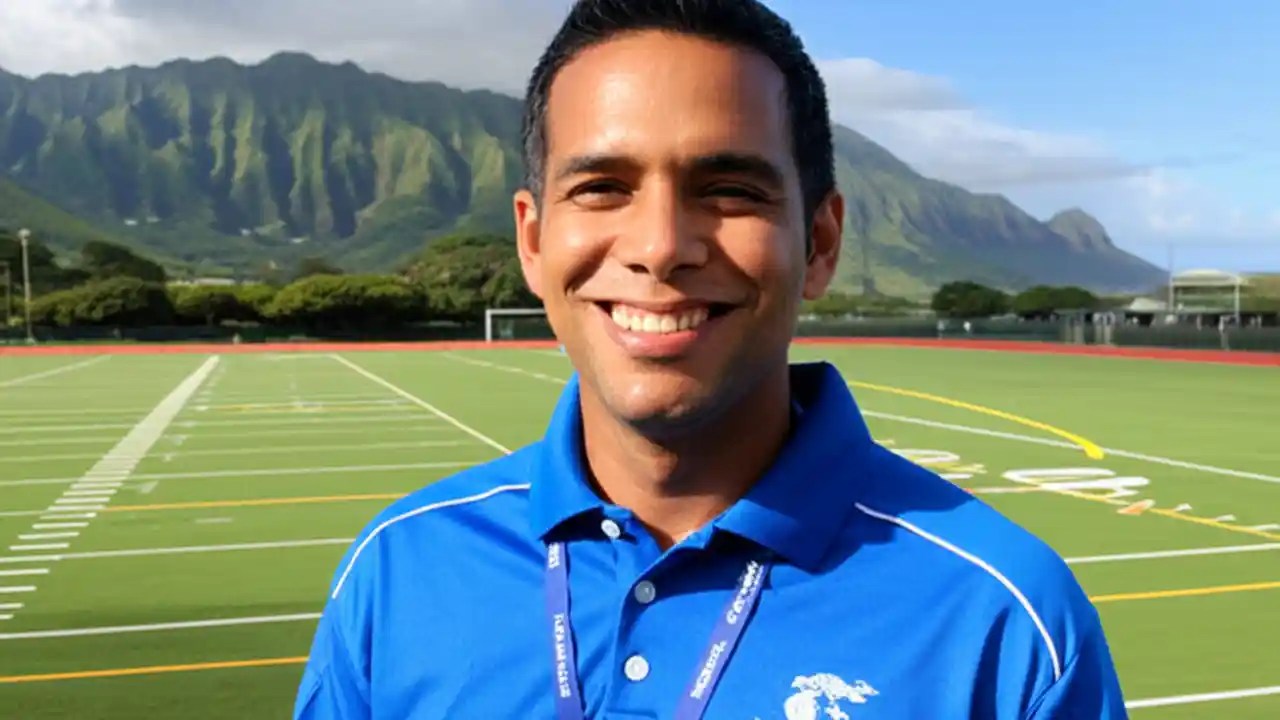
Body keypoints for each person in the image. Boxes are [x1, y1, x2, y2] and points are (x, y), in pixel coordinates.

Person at [293, 1, 1128, 718]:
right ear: (534, 239)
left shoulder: (1005, 619)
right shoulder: (400, 568)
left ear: (821, 242)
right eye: (601, 188)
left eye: (730, 191)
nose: (660, 247)